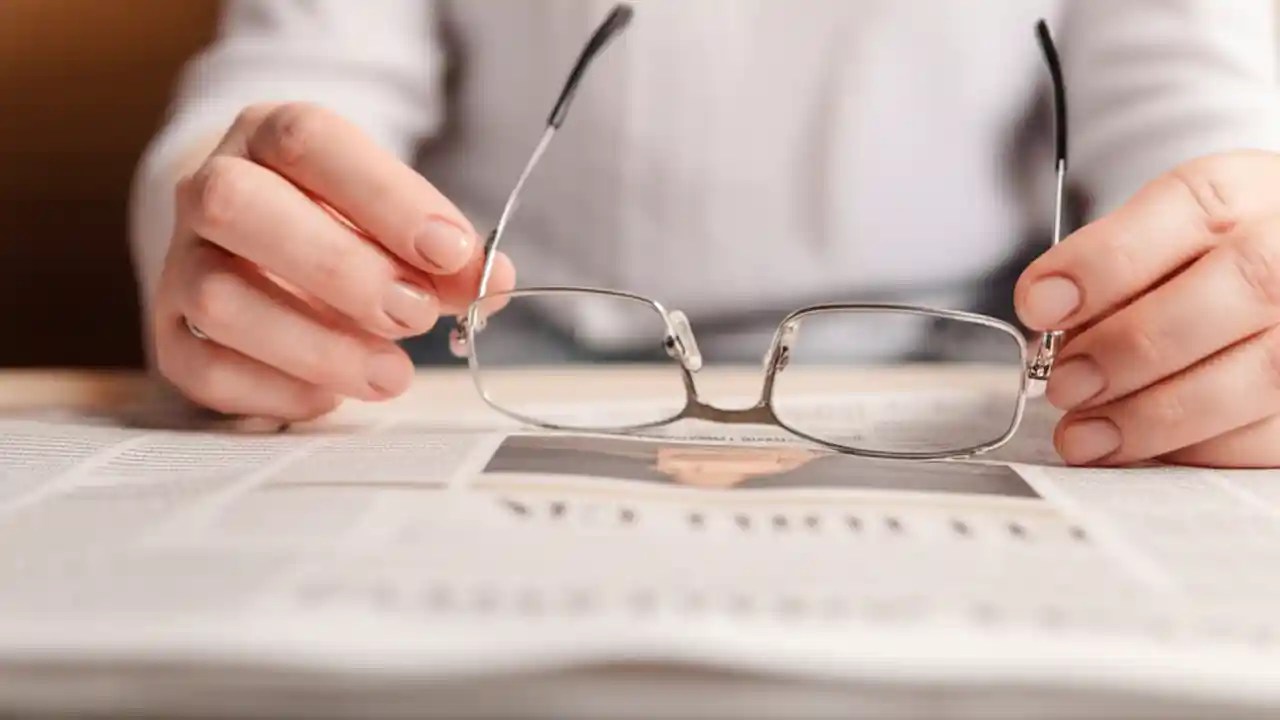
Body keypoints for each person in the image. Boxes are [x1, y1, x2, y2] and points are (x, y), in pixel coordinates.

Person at [130, 0, 1280, 468]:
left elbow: (1211, 133)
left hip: (965, 382)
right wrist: (239, 235)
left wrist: (1241, 275)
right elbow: (293, 86)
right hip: (467, 356)